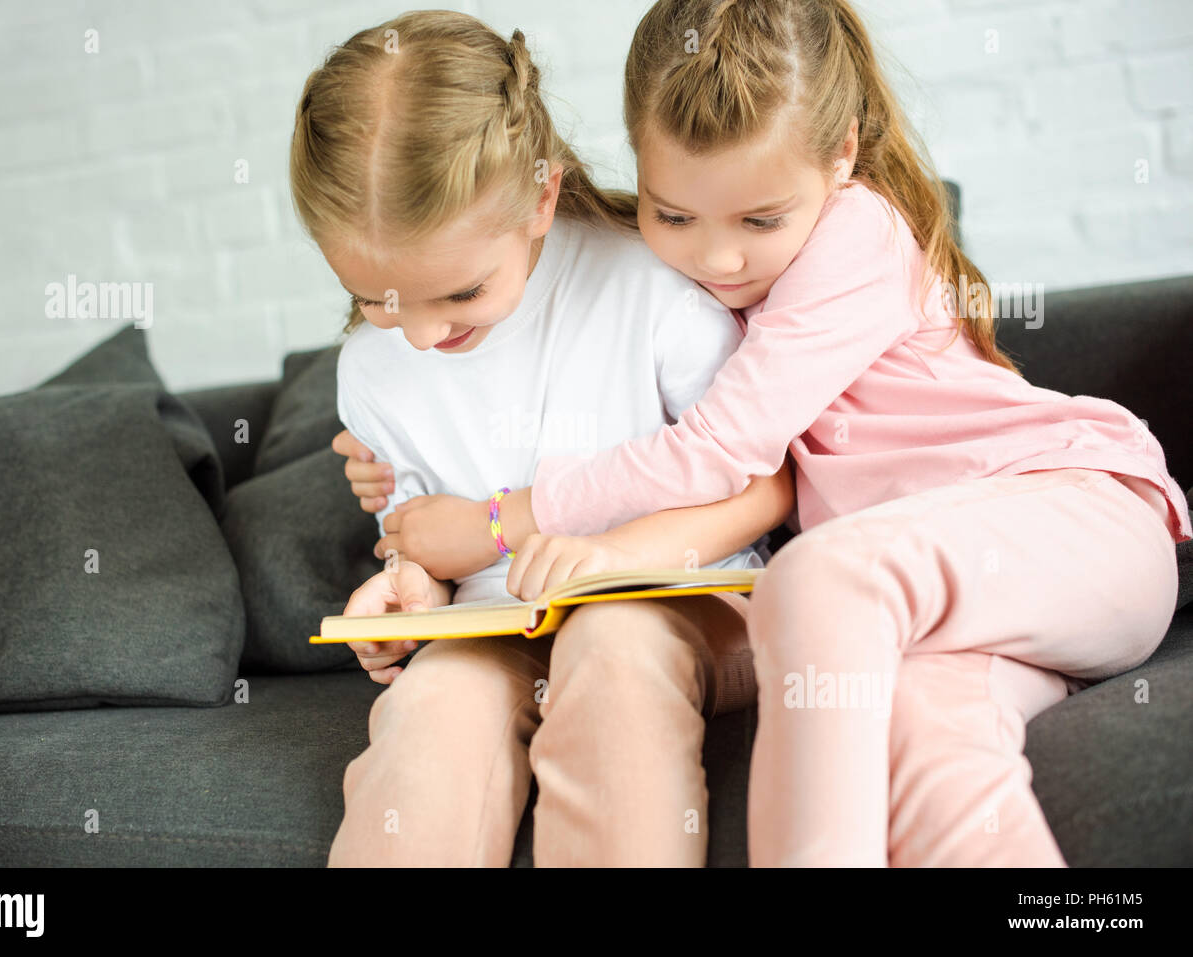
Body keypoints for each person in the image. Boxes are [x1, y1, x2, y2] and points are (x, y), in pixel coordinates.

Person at [334, 0, 1189, 866]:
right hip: (957, 609)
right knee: (931, 743)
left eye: (759, 221)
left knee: (815, 581)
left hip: (1077, 513)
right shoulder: (689, 292)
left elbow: (722, 450)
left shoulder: (855, 234)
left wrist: (506, 521)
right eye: (674, 217)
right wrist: (408, 523)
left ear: (843, 154)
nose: (718, 260)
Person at [291, 9, 793, 866]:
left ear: (541, 198)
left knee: (614, 645)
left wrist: (607, 554)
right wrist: (407, 591)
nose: (414, 334)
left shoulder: (652, 289)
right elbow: (419, 532)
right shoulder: (371, 370)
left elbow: (769, 485)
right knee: (432, 707)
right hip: (494, 620)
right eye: (378, 300)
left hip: (685, 601)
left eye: (458, 294)